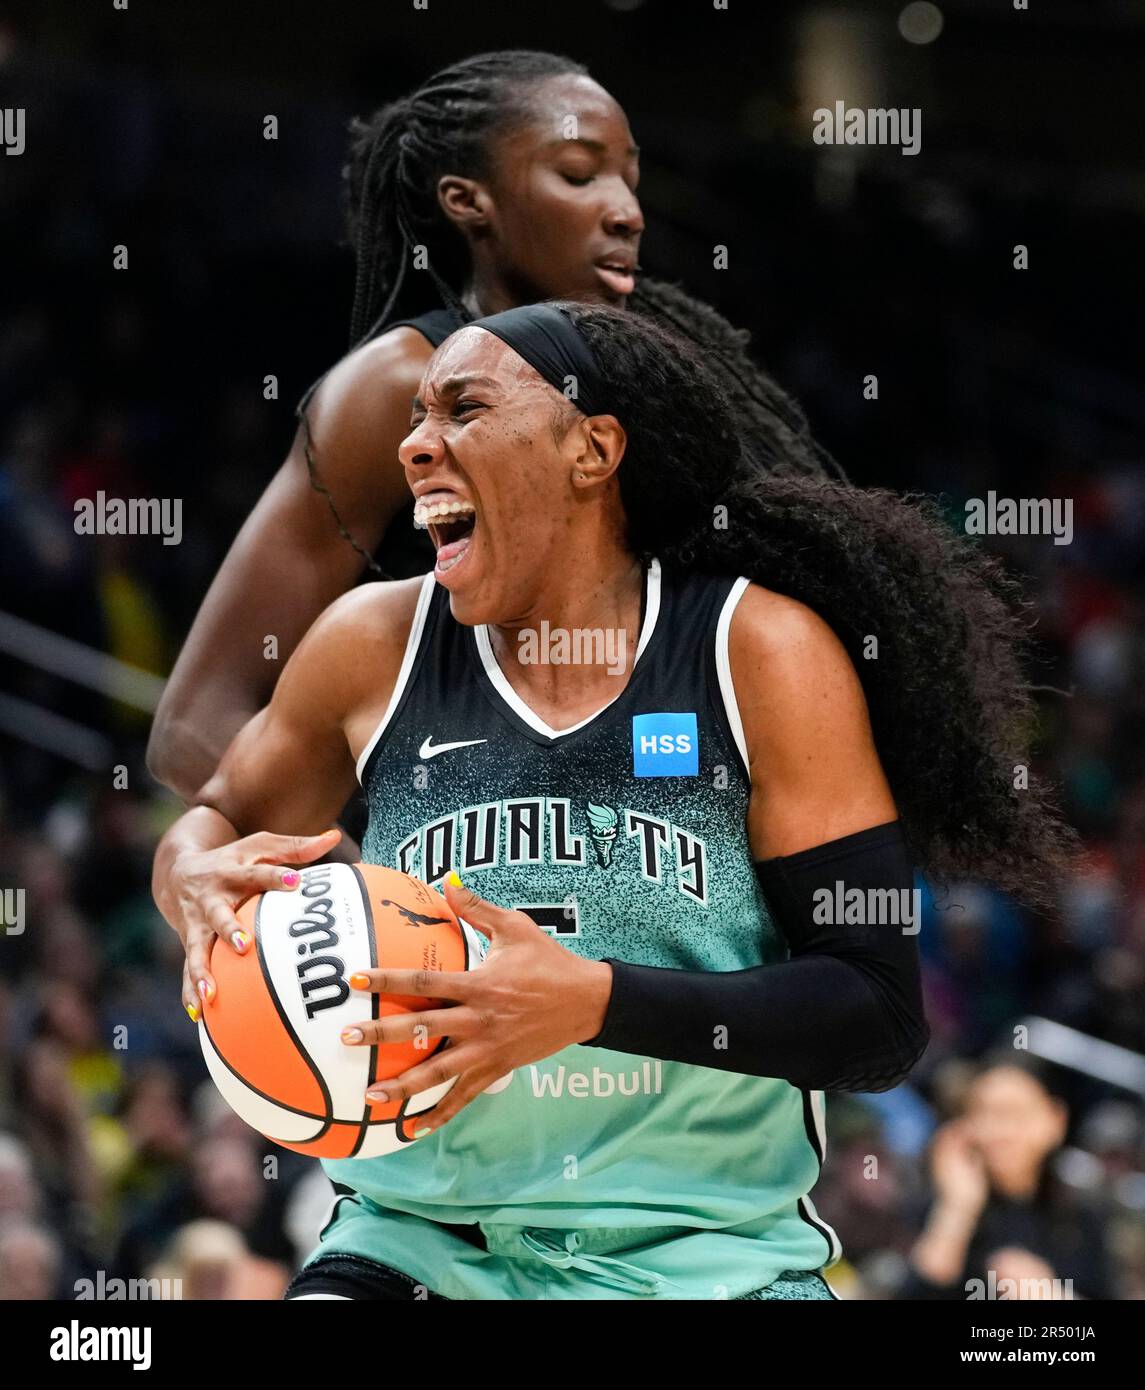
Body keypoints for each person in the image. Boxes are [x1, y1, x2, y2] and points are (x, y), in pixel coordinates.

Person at [153, 301, 1072, 1299]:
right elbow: (213, 819)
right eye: (414, 417)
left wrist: (589, 1003)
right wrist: (187, 874)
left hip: (707, 1260)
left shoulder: (755, 654)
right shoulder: (368, 645)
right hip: (419, 1243)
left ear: (591, 449)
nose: (414, 445)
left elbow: (877, 1013)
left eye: (461, 409)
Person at [146, 49, 840, 805]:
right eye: (579, 175)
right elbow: (194, 727)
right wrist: (380, 905)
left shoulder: (654, 383)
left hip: (666, 865)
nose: (626, 210)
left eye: (629, 180)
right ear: (467, 201)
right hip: (459, 862)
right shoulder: (399, 385)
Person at [904, 1056, 1115, 1300]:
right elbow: (919, 1289)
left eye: (1014, 1113)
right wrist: (957, 1210)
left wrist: (1050, 1294)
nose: (998, 1132)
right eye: (983, 1112)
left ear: (1055, 1120)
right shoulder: (934, 1205)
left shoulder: (1083, 1216)